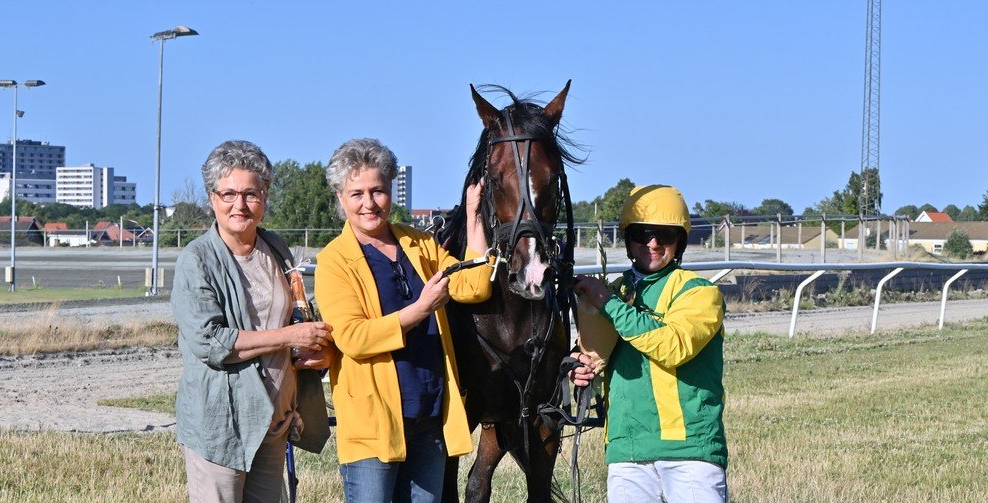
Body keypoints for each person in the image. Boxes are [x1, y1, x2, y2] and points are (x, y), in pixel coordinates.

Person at [314, 138, 491, 503]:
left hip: (430, 414)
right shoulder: (334, 261)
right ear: (339, 197)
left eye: (377, 191)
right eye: (357, 193)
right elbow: (353, 338)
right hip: (374, 423)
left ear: (391, 190)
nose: (369, 203)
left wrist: (474, 214)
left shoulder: (419, 243)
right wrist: (421, 309)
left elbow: (472, 286)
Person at [171, 139, 332, 503]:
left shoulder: (275, 248)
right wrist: (289, 335)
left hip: (273, 423)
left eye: (250, 194)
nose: (239, 205)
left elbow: (294, 314)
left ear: (266, 196)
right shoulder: (196, 260)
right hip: (222, 425)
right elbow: (211, 343)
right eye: (228, 193)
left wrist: (309, 349)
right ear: (212, 198)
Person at [570, 184, 728, 503]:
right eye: (642, 233)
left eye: (664, 235)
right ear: (628, 238)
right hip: (626, 453)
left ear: (679, 240)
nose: (652, 243)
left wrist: (608, 303)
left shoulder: (699, 292)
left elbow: (672, 346)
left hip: (690, 453)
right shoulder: (612, 293)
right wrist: (578, 368)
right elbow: (593, 356)